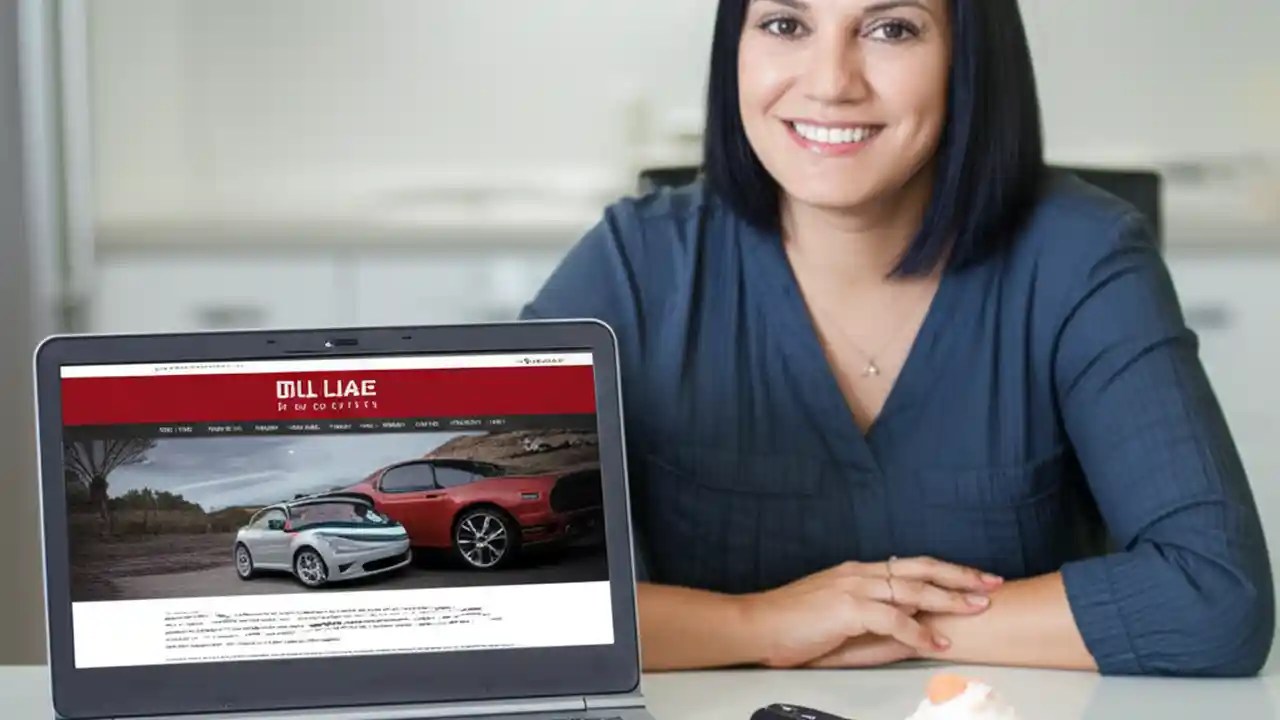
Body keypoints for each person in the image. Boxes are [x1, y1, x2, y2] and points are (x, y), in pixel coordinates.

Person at [520, 0, 1275, 677]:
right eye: (785, 24)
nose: (831, 82)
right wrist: (763, 625)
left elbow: (1215, 597)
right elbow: (496, 602)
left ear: (968, 57)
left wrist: (884, 622)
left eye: (891, 29)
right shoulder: (633, 266)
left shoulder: (1084, 258)